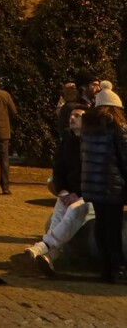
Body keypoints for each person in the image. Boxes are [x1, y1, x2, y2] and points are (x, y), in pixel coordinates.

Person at [28, 101, 91, 275]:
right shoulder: (67, 142)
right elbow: (59, 170)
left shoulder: (92, 144)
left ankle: (44, 246)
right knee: (57, 215)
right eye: (72, 115)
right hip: (69, 193)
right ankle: (49, 257)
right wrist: (63, 192)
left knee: (72, 212)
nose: (72, 118)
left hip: (88, 196)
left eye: (78, 116)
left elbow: (91, 175)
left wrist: (78, 195)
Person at [79, 82, 127, 283]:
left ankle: (105, 268)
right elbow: (124, 156)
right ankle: (119, 269)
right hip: (113, 184)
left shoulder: (88, 126)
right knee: (113, 227)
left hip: (93, 184)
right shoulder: (117, 126)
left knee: (101, 224)